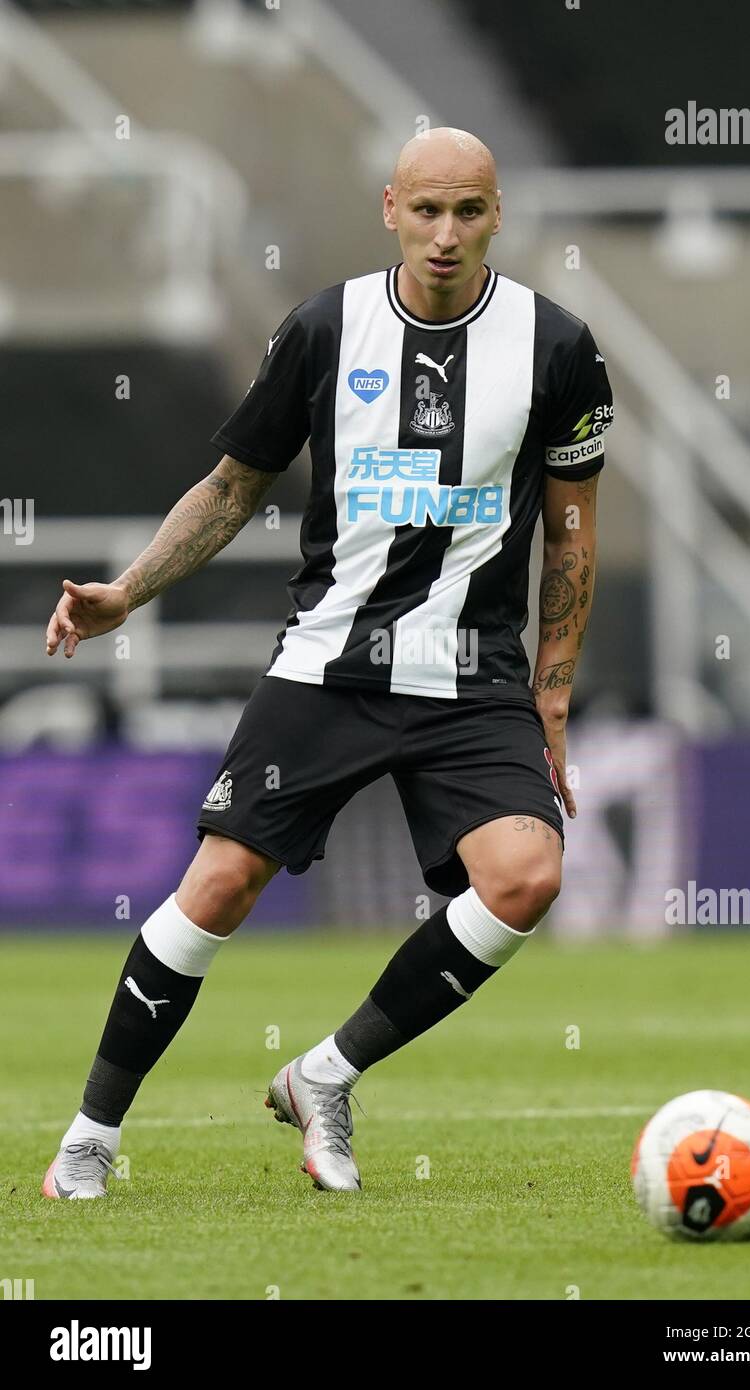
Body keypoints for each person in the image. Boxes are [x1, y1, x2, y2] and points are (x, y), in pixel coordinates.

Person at [42, 127, 612, 1196]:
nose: (446, 235)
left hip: (472, 676)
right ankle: (90, 1137)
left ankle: (325, 1073)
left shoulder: (557, 346)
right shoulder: (320, 328)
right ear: (390, 207)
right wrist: (126, 591)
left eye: (470, 213)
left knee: (527, 876)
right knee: (218, 883)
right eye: (427, 210)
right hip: (326, 663)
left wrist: (552, 687)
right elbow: (230, 488)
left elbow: (573, 534)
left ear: (498, 216)